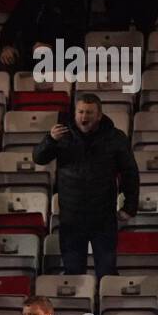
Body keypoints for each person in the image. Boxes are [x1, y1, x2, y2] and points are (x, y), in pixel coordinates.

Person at [32, 93, 138, 278]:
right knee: (73, 273)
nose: (84, 117)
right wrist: (50, 140)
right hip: (71, 217)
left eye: (89, 112)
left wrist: (130, 206)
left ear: (99, 115)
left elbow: (130, 173)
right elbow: (39, 158)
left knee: (107, 272)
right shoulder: (61, 135)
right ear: (75, 113)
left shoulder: (115, 137)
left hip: (103, 216)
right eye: (80, 112)